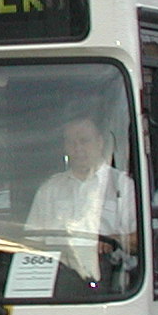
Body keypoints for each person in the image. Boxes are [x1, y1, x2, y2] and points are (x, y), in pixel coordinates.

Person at [25, 115, 139, 284]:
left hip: (112, 279)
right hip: (55, 277)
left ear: (100, 142)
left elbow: (143, 239)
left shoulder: (124, 186)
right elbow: (30, 243)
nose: (78, 148)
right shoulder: (49, 189)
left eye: (84, 141)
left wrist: (113, 240)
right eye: (71, 143)